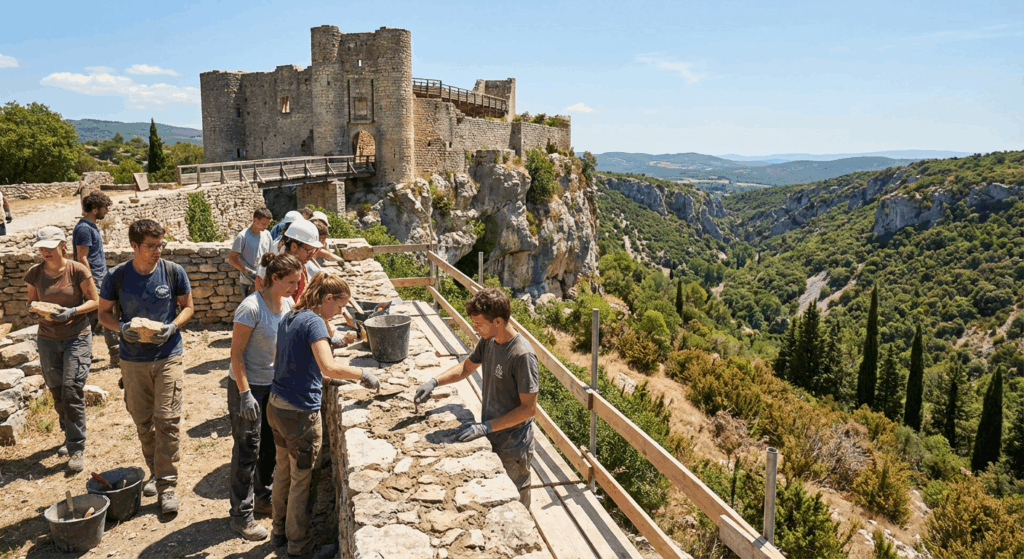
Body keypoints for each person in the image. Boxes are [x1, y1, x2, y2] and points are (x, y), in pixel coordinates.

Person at [268, 273, 380, 558]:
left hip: (277, 406)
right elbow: (328, 365)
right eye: (340, 306)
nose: (341, 312)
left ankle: (278, 532)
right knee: (303, 481)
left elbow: (286, 358)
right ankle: (299, 548)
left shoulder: (291, 316)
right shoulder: (314, 321)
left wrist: (322, 377)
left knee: (283, 471)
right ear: (327, 298)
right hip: (299, 415)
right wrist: (362, 373)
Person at [98, 219, 194, 517]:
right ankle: (155, 470)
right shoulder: (116, 276)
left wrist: (173, 327)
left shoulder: (173, 272)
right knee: (144, 422)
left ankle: (167, 486)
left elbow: (188, 307)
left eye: (160, 245)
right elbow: (103, 314)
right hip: (132, 360)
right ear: (134, 246)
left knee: (167, 419)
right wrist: (122, 327)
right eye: (150, 246)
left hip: (167, 355)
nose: (157, 251)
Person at [414, 288, 539, 506]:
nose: (475, 328)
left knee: (516, 500)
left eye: (479, 323)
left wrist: (486, 427)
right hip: (492, 433)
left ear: (498, 321)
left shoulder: (522, 355)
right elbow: (466, 367)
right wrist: (434, 381)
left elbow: (528, 409)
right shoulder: (489, 340)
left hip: (513, 446)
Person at [228, 252, 302, 541]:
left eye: (297, 282)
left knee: (270, 445)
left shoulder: (287, 304)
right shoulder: (251, 308)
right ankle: (241, 516)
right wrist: (245, 393)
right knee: (247, 449)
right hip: (248, 386)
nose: (296, 287)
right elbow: (236, 353)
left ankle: (262, 497)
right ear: (274, 278)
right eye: (291, 282)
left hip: (274, 385)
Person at [26, 226, 99, 472]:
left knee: (71, 388)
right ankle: (68, 434)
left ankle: (77, 447)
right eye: (41, 248)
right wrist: (36, 311)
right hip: (48, 338)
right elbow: (30, 302)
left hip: (76, 335)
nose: (45, 252)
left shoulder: (77, 270)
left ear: (62, 245)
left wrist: (72, 311)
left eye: (50, 247)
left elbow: (95, 301)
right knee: (57, 391)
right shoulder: (35, 273)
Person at [73, 191, 119, 365]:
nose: (106, 211)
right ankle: (115, 355)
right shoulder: (84, 229)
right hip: (94, 279)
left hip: (99, 277)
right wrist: (91, 281)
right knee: (104, 314)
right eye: (104, 208)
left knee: (94, 317)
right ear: (94, 209)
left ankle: (84, 355)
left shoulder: (90, 226)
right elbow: (82, 257)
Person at [255, 220, 321, 298]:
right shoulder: (268, 270)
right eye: (309, 251)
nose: (311, 255)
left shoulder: (303, 265)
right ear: (294, 247)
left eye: (314, 250)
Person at [229, 208, 274, 296]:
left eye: (267, 224)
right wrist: (249, 272)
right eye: (264, 224)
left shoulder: (267, 234)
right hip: (248, 283)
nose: (266, 227)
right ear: (255, 220)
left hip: (264, 281)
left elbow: (271, 255)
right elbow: (232, 259)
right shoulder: (242, 236)